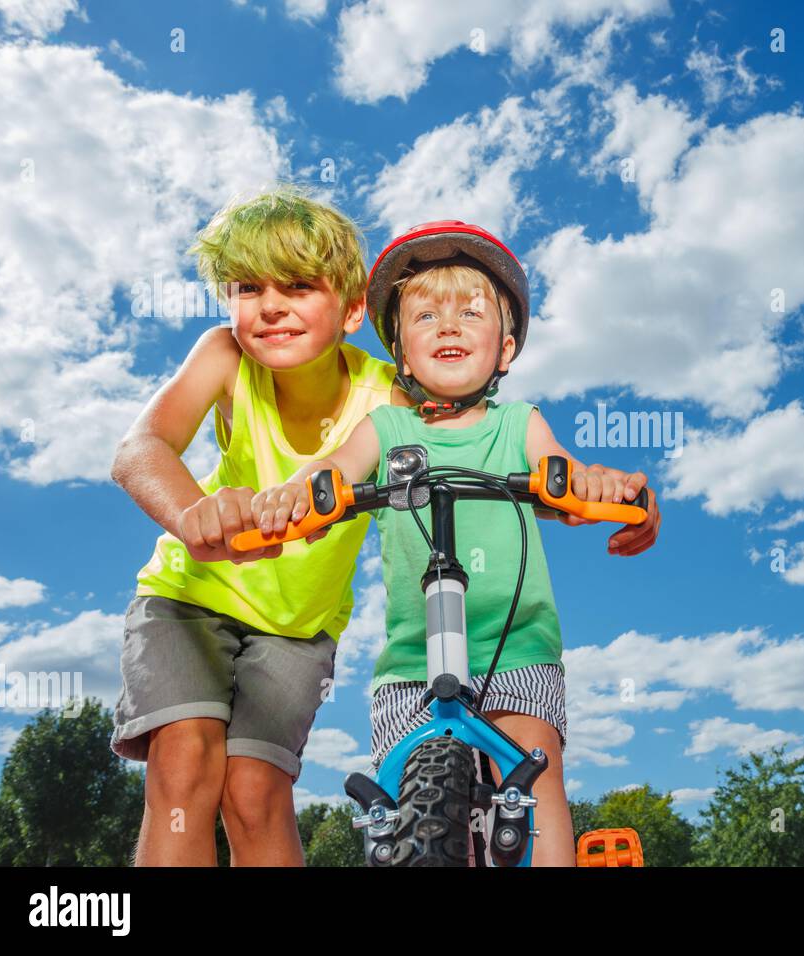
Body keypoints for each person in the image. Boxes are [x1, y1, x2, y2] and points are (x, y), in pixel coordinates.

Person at [250, 220, 662, 865]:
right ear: (401, 352)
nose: (448, 326)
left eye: (471, 313)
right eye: (425, 317)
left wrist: (601, 486)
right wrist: (290, 496)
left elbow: (563, 476)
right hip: (414, 664)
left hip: (516, 644)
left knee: (532, 772)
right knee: (401, 802)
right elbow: (328, 475)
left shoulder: (518, 423)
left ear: (505, 349)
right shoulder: (382, 428)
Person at [109, 186, 399, 866]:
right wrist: (192, 513)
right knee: (184, 763)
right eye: (246, 288)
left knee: (254, 791)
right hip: (190, 598)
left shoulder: (387, 393)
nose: (269, 306)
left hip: (297, 628)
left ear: (352, 308)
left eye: (298, 286)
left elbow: (481, 445)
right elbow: (139, 450)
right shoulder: (225, 356)